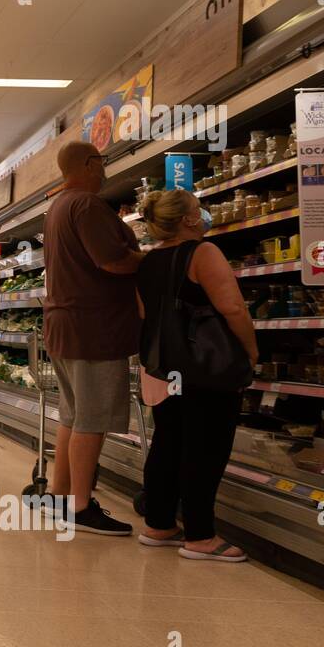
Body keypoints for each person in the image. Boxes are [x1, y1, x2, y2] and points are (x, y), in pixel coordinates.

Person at [136, 189, 255, 562]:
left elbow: (145, 314)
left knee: (169, 441)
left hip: (165, 367)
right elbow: (233, 308)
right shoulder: (203, 252)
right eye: (196, 209)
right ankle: (200, 536)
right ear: (188, 219)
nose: (201, 213)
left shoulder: (147, 261)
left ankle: (159, 524)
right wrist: (250, 352)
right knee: (205, 447)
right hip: (207, 368)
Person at [43, 141, 143, 536]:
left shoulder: (58, 207)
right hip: (93, 328)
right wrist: (148, 258)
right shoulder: (86, 206)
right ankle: (81, 506)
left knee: (72, 414)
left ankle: (60, 493)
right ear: (88, 164)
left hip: (66, 326)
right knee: (92, 418)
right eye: (102, 162)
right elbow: (112, 260)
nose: (105, 169)